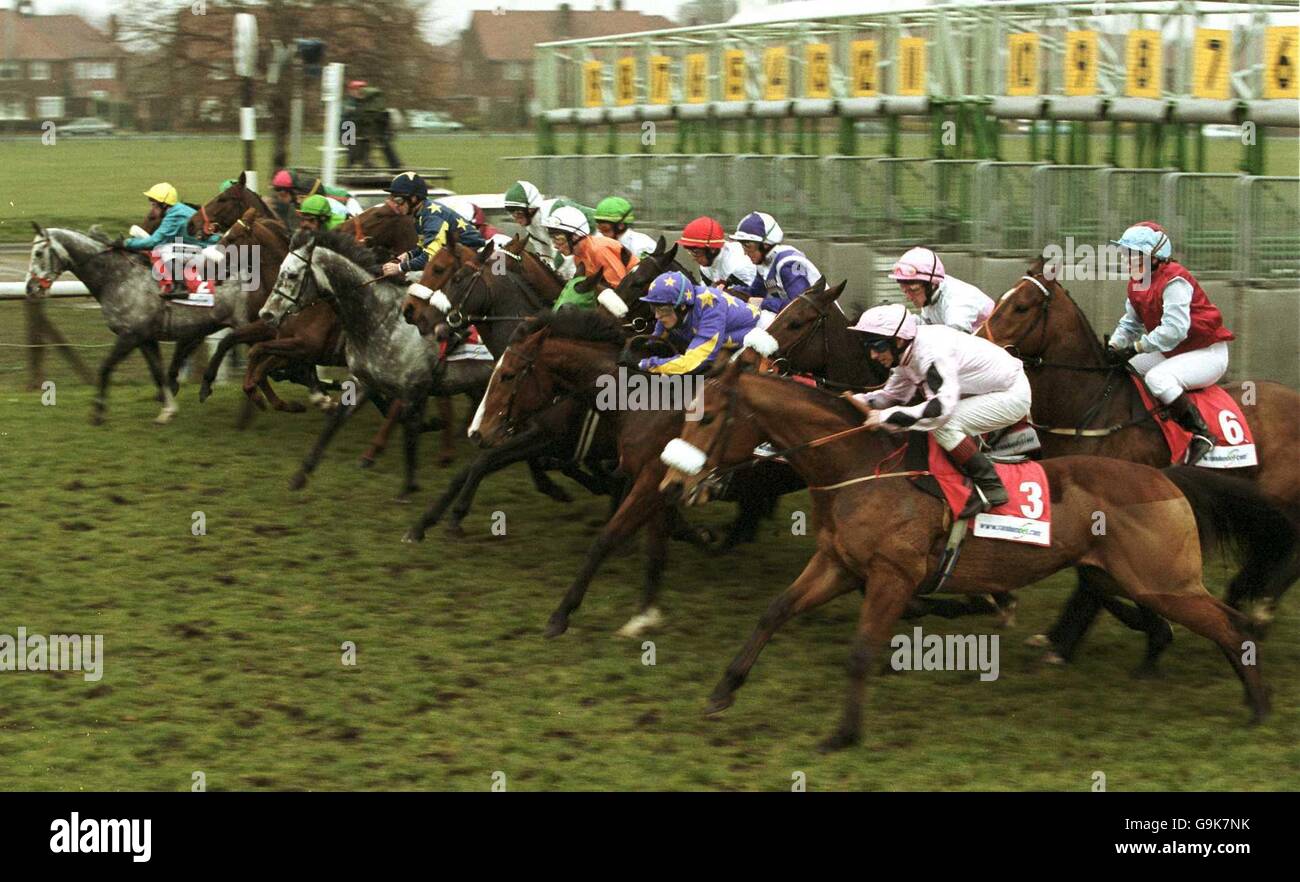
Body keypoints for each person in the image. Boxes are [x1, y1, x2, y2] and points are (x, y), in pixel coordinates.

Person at [844, 303, 1032, 517]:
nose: (873, 356)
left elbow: (939, 410)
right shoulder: (905, 354)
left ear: (897, 340)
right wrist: (852, 401)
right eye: (869, 347)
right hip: (985, 391)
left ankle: (990, 486)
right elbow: (890, 397)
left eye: (877, 346)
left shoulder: (932, 353)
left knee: (945, 425)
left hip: (1011, 393)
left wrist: (884, 417)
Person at [1105, 221, 1234, 465]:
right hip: (1172, 352)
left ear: (1156, 257)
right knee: (1122, 368)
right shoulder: (1138, 281)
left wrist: (1136, 347)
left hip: (1207, 354)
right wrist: (1114, 346)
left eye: (1135, 254)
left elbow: (1174, 331)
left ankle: (1201, 434)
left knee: (1157, 379)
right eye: (1127, 253)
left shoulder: (1175, 280)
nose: (1129, 260)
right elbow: (1130, 324)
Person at [635, 270, 760, 375]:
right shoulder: (673, 308)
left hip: (757, 333)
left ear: (682, 306)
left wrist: (653, 364)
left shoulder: (711, 305)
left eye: (662, 309)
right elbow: (656, 339)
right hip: (723, 340)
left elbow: (694, 362)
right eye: (654, 308)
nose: (657, 316)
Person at [379, 172, 485, 278]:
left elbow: (431, 256)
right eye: (392, 199)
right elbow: (425, 248)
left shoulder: (431, 218)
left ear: (414, 199)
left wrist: (400, 268)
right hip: (458, 257)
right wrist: (409, 255)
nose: (396, 205)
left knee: (414, 277)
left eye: (399, 200)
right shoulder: (421, 214)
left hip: (473, 259)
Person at [123, 183, 220, 297]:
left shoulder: (175, 215)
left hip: (211, 251)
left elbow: (154, 242)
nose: (152, 210)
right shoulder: (177, 209)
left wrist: (128, 243)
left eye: (154, 205)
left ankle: (181, 286)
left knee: (165, 250)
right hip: (208, 248)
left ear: (164, 205)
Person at [544, 206, 637, 314]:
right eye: (553, 240)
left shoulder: (598, 249)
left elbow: (620, 291)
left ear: (575, 236)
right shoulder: (578, 257)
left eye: (559, 239)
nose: (555, 246)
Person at [730, 211, 822, 314]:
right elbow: (756, 293)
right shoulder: (765, 265)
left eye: (748, 245)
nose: (745, 253)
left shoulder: (788, 263)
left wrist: (764, 303)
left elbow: (802, 306)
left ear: (766, 244)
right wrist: (729, 291)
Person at [889, 246, 994, 334]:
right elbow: (928, 324)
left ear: (932, 285)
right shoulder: (932, 295)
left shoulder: (958, 300)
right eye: (904, 290)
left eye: (914, 290)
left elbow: (955, 344)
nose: (909, 297)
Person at [501, 180, 594, 277]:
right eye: (512, 214)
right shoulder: (531, 227)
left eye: (518, 213)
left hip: (596, 235)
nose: (516, 219)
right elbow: (544, 257)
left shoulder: (552, 213)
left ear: (531, 207)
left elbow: (565, 253)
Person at [678, 216, 757, 291]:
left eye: (696, 252)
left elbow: (756, 299)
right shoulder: (706, 264)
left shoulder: (739, 266)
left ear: (712, 249)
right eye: (689, 251)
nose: (693, 258)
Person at [269, 169, 360, 229]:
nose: (279, 198)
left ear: (291, 191)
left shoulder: (306, 192)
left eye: (282, 195)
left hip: (348, 205)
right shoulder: (299, 195)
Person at [344, 80, 401, 168]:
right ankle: (365, 167)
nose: (351, 93)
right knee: (357, 148)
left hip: (373, 131)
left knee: (357, 148)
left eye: (353, 90)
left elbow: (368, 117)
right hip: (366, 132)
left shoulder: (369, 102)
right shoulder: (362, 101)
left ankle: (394, 167)